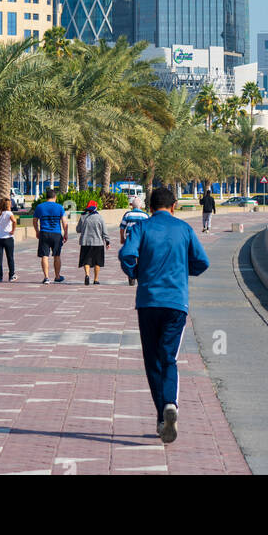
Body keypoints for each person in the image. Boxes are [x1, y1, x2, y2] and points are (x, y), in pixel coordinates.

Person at [119, 186, 209, 444]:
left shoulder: (141, 229)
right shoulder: (185, 229)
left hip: (148, 302)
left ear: (149, 207)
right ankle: (170, 403)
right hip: (176, 303)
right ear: (174, 206)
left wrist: (135, 273)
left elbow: (127, 254)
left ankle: (162, 416)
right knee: (168, 357)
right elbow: (202, 262)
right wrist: (182, 270)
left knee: (152, 361)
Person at [32, 188, 68, 284]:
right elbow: (64, 222)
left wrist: (37, 231)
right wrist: (66, 233)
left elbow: (35, 221)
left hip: (44, 233)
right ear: (55, 197)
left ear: (46, 197)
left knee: (44, 255)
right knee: (57, 255)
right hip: (56, 234)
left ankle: (46, 277)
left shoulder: (40, 207)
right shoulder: (60, 207)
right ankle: (57, 276)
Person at [77, 200, 110, 285]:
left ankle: (87, 275)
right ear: (95, 207)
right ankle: (96, 279)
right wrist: (107, 241)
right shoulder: (100, 217)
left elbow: (78, 229)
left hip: (85, 242)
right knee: (97, 262)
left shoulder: (83, 217)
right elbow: (104, 231)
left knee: (86, 260)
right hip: (98, 243)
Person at [120, 198, 149, 285]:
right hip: (142, 240)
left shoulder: (128, 214)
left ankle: (131, 277)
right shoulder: (145, 215)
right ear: (140, 206)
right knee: (141, 259)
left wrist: (122, 238)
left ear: (132, 205)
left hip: (130, 240)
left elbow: (122, 227)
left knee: (130, 258)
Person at [0, 197, 18, 281]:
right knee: (10, 257)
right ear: (8, 205)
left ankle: (0, 277)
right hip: (8, 238)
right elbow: (14, 221)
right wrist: (13, 231)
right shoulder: (9, 213)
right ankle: (11, 275)